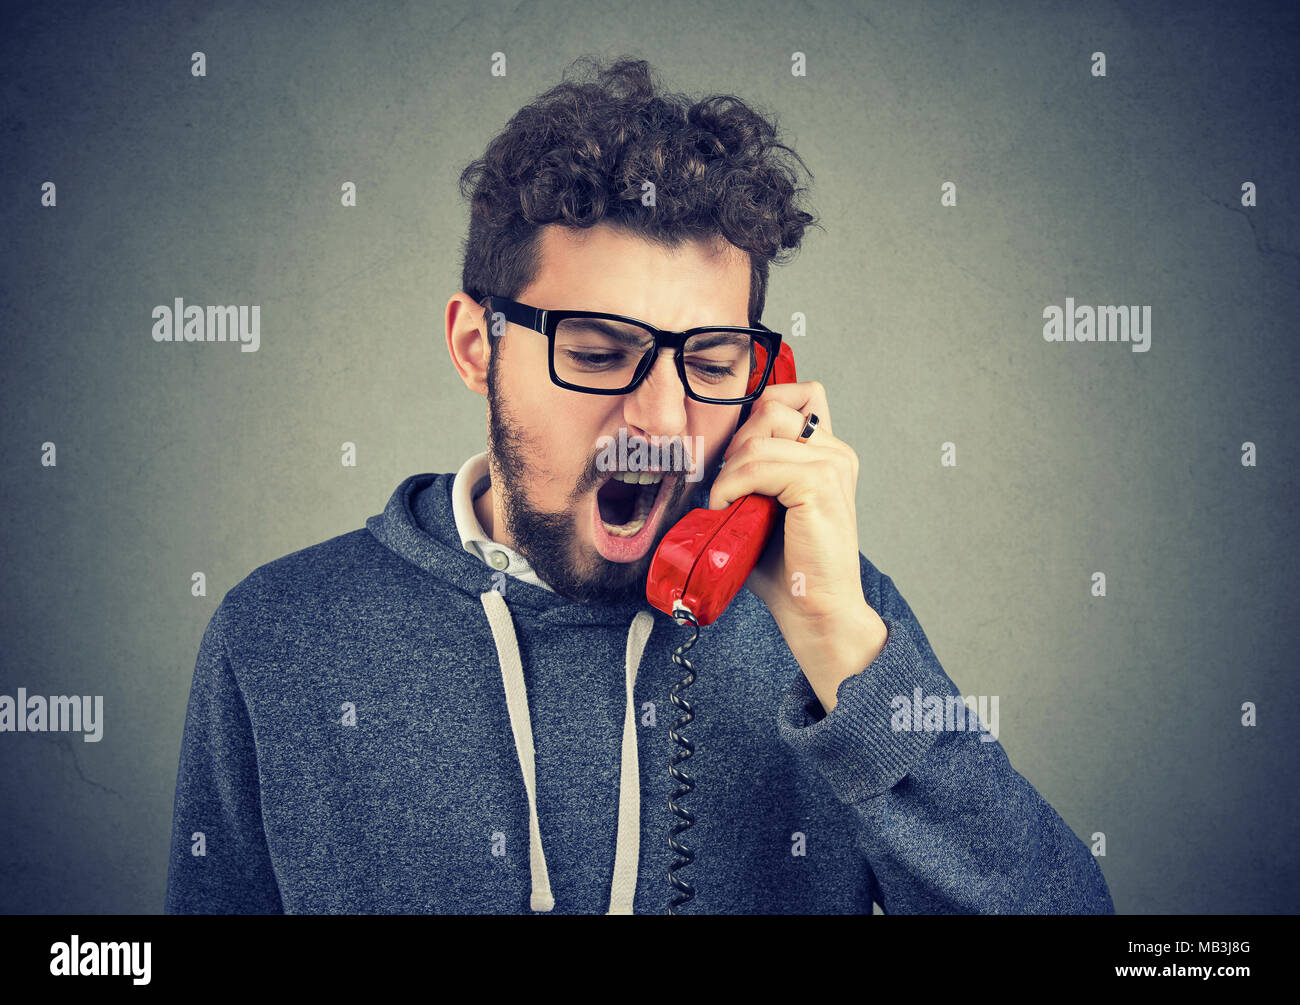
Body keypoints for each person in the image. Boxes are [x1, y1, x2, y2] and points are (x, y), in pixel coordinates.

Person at [165, 56, 1113, 914]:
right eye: (598, 351)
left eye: (710, 358)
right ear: (473, 346)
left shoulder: (837, 634)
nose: (660, 424)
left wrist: (843, 653)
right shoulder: (280, 633)